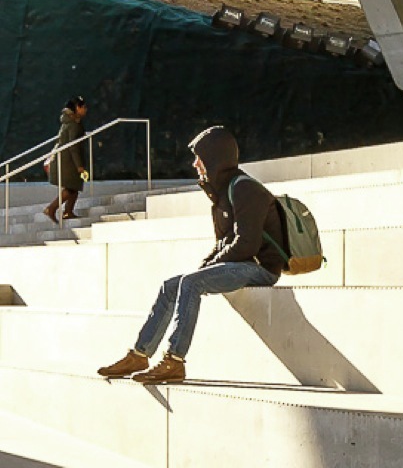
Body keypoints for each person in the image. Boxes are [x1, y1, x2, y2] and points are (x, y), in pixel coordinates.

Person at [97, 125, 288, 386]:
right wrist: (206, 265)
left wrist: (205, 270)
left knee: (191, 282)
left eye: (200, 157)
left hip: (261, 268)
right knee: (170, 286)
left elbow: (247, 245)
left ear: (215, 156)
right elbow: (223, 242)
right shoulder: (221, 192)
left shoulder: (245, 189)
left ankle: (174, 361)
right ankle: (139, 354)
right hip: (241, 263)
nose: (195, 163)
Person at [42, 96, 88, 225]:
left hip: (66, 159)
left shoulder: (70, 122)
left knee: (75, 185)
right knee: (72, 187)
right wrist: (79, 166)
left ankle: (68, 211)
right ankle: (51, 208)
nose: (85, 110)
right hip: (68, 161)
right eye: (83, 107)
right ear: (77, 108)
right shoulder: (73, 124)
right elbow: (73, 146)